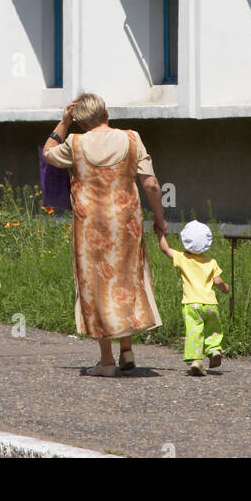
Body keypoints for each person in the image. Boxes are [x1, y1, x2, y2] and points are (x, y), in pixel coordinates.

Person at [43, 94, 168, 375]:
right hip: (127, 225)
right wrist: (159, 220)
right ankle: (126, 349)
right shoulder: (132, 138)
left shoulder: (74, 144)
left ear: (80, 121)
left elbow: (48, 152)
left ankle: (106, 360)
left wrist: (63, 123)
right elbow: (151, 184)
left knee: (96, 286)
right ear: (107, 112)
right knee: (126, 279)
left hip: (90, 229)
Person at [158, 219, 229, 376]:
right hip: (210, 304)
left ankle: (196, 360)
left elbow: (165, 249)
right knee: (213, 329)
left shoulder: (183, 258)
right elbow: (218, 281)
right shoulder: (211, 262)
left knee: (194, 331)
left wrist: (160, 233)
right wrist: (225, 288)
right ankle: (214, 350)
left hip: (191, 304)